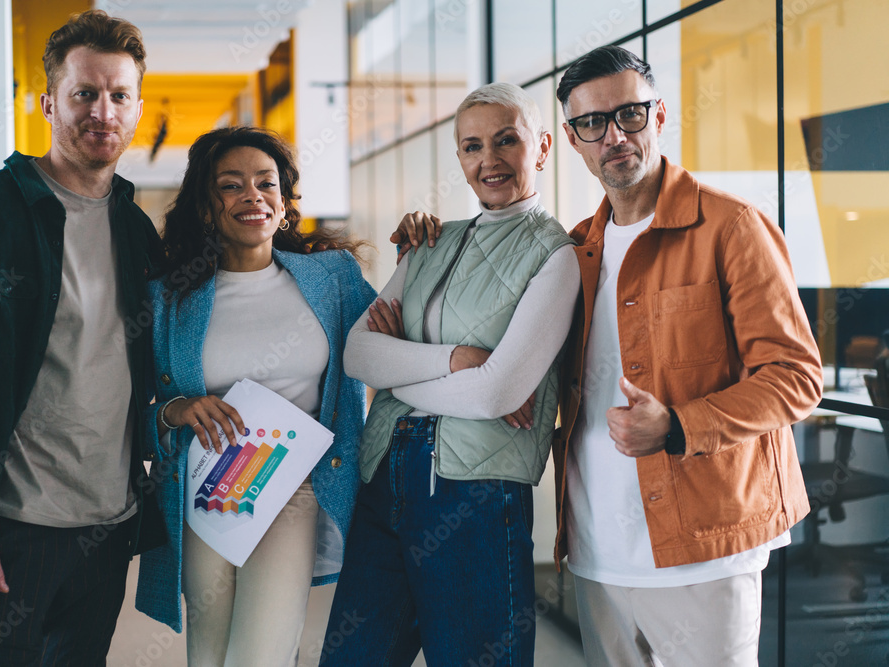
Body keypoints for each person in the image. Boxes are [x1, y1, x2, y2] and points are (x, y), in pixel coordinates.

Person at [0, 10, 167, 665]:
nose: (102, 111)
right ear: (48, 102)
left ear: (136, 110)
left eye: (119, 96)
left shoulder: (136, 234)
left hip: (107, 525)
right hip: (6, 530)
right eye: (84, 93)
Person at [552, 45, 823, 665]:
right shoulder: (575, 249)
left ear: (661, 114)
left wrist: (677, 424)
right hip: (597, 549)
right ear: (573, 140)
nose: (614, 135)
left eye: (630, 114)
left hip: (706, 546)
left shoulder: (731, 227)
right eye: (593, 123)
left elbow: (795, 376)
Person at [321, 82, 580, 667]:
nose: (489, 159)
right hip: (385, 473)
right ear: (460, 158)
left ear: (540, 148)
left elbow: (497, 393)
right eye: (472, 146)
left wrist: (401, 375)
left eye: (506, 140)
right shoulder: (430, 242)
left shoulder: (555, 255)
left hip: (473, 491)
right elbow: (358, 355)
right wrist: (456, 360)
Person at [135, 126, 376, 666]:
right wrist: (174, 411)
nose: (252, 195)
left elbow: (394, 333)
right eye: (230, 185)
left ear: (284, 203)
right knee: (210, 654)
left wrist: (423, 248)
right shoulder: (169, 298)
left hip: (294, 487)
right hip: (205, 487)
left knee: (261, 655)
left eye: (266, 183)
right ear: (204, 206)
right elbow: (133, 409)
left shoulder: (331, 279)